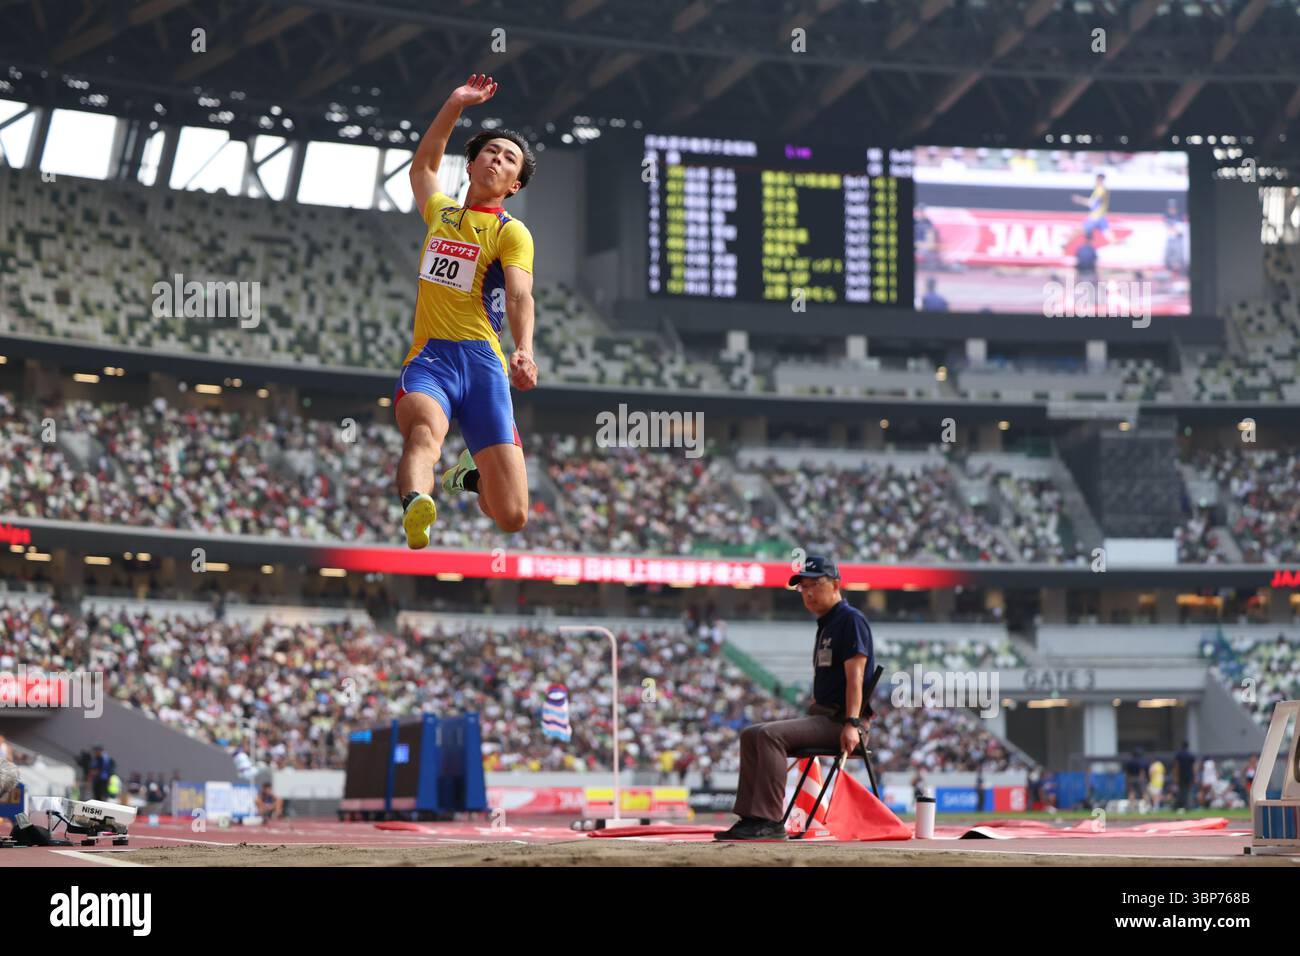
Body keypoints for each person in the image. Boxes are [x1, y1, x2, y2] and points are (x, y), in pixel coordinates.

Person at [394, 73, 538, 549]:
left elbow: (519, 296)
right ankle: (417, 503)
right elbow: (423, 166)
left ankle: (466, 478)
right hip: (431, 359)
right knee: (422, 435)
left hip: (484, 366)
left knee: (512, 515)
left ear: (514, 184)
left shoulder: (510, 232)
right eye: (491, 151)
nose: (498, 158)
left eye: (509, 158)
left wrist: (525, 351)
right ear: (473, 164)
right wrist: (455, 102)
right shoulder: (441, 214)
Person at [716, 554, 874, 841]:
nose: (808, 592)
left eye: (815, 584)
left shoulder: (850, 620)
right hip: (824, 717)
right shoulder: (826, 624)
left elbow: (857, 677)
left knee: (769, 736)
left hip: (842, 721)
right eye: (803, 587)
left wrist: (852, 723)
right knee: (751, 734)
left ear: (836, 584)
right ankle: (751, 818)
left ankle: (769, 821)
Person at [1173, 741, 1196, 810]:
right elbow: (1193, 767)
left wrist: (1176, 776)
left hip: (1181, 776)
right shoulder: (1190, 755)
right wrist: (1194, 777)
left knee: (1181, 791)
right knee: (1188, 791)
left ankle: (1179, 805)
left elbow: (1177, 766)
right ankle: (1188, 806)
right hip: (1189, 776)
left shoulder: (1179, 755)